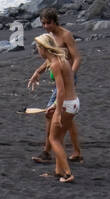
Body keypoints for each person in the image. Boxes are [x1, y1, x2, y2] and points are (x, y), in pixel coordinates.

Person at [27, 9, 82, 164]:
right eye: (43, 23)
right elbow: (51, 58)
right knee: (68, 118)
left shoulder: (66, 35)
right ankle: (77, 152)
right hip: (60, 77)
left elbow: (77, 58)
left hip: (67, 78)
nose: (45, 26)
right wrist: (38, 71)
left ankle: (46, 152)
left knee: (50, 114)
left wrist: (70, 75)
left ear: (55, 21)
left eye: (48, 23)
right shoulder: (49, 37)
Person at [33, 33, 78, 183]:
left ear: (43, 48)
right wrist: (37, 72)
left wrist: (57, 111)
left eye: (37, 48)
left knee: (53, 138)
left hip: (66, 104)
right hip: (74, 103)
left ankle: (67, 174)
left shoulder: (56, 64)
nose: (37, 51)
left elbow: (61, 90)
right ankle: (58, 171)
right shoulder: (60, 59)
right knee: (59, 138)